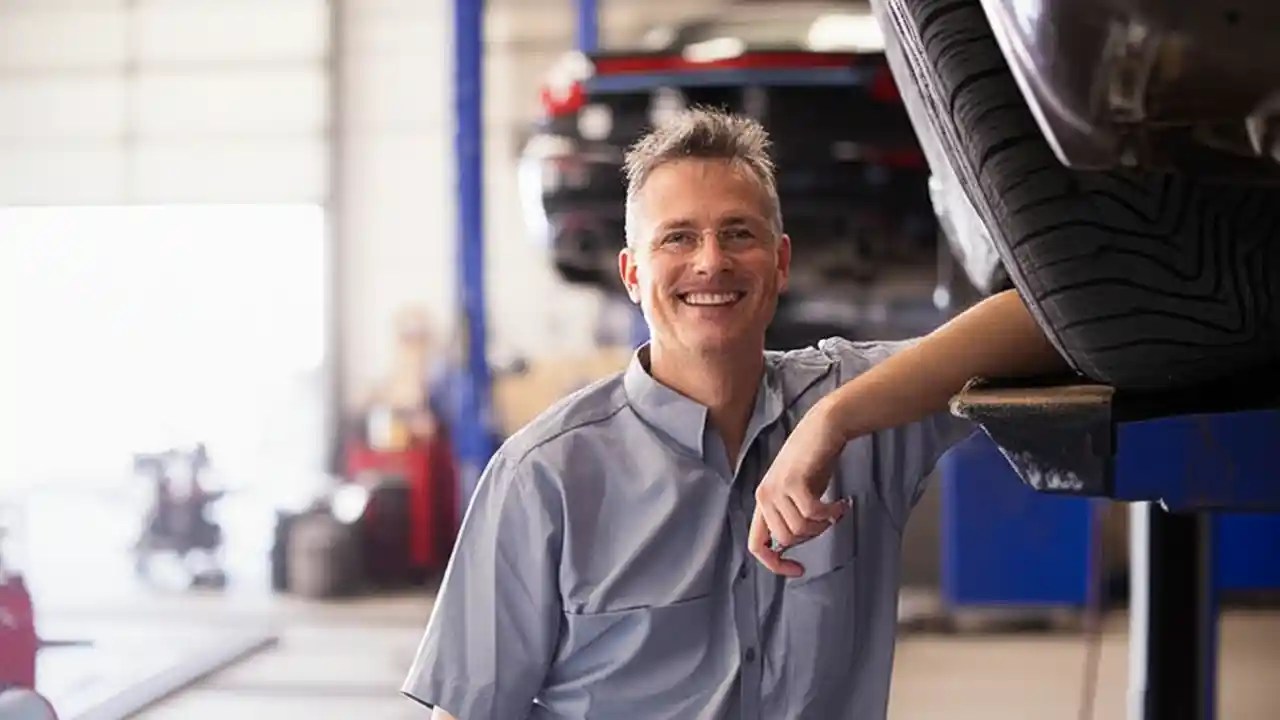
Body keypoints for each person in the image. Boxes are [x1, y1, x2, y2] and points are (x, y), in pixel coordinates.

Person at [402, 109, 1069, 719]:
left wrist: (831, 423)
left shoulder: (863, 411)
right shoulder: (542, 477)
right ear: (632, 275)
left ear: (780, 263)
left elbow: (1054, 318)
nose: (711, 261)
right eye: (679, 239)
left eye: (738, 233)